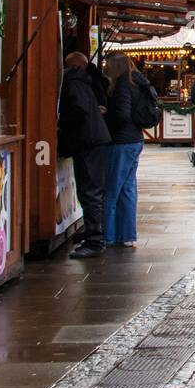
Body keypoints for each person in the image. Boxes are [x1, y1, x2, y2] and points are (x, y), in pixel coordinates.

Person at [59, 52, 111, 259]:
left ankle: (95, 240)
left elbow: (78, 111)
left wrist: (61, 122)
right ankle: (96, 236)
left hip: (87, 141)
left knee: (90, 191)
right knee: (93, 190)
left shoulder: (72, 81)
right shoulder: (85, 81)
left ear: (73, 66)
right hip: (94, 139)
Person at [103, 53, 146, 248]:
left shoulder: (122, 85)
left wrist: (106, 116)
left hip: (121, 142)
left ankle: (109, 234)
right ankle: (127, 234)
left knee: (112, 189)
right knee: (128, 189)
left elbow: (121, 114)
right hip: (135, 139)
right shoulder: (137, 82)